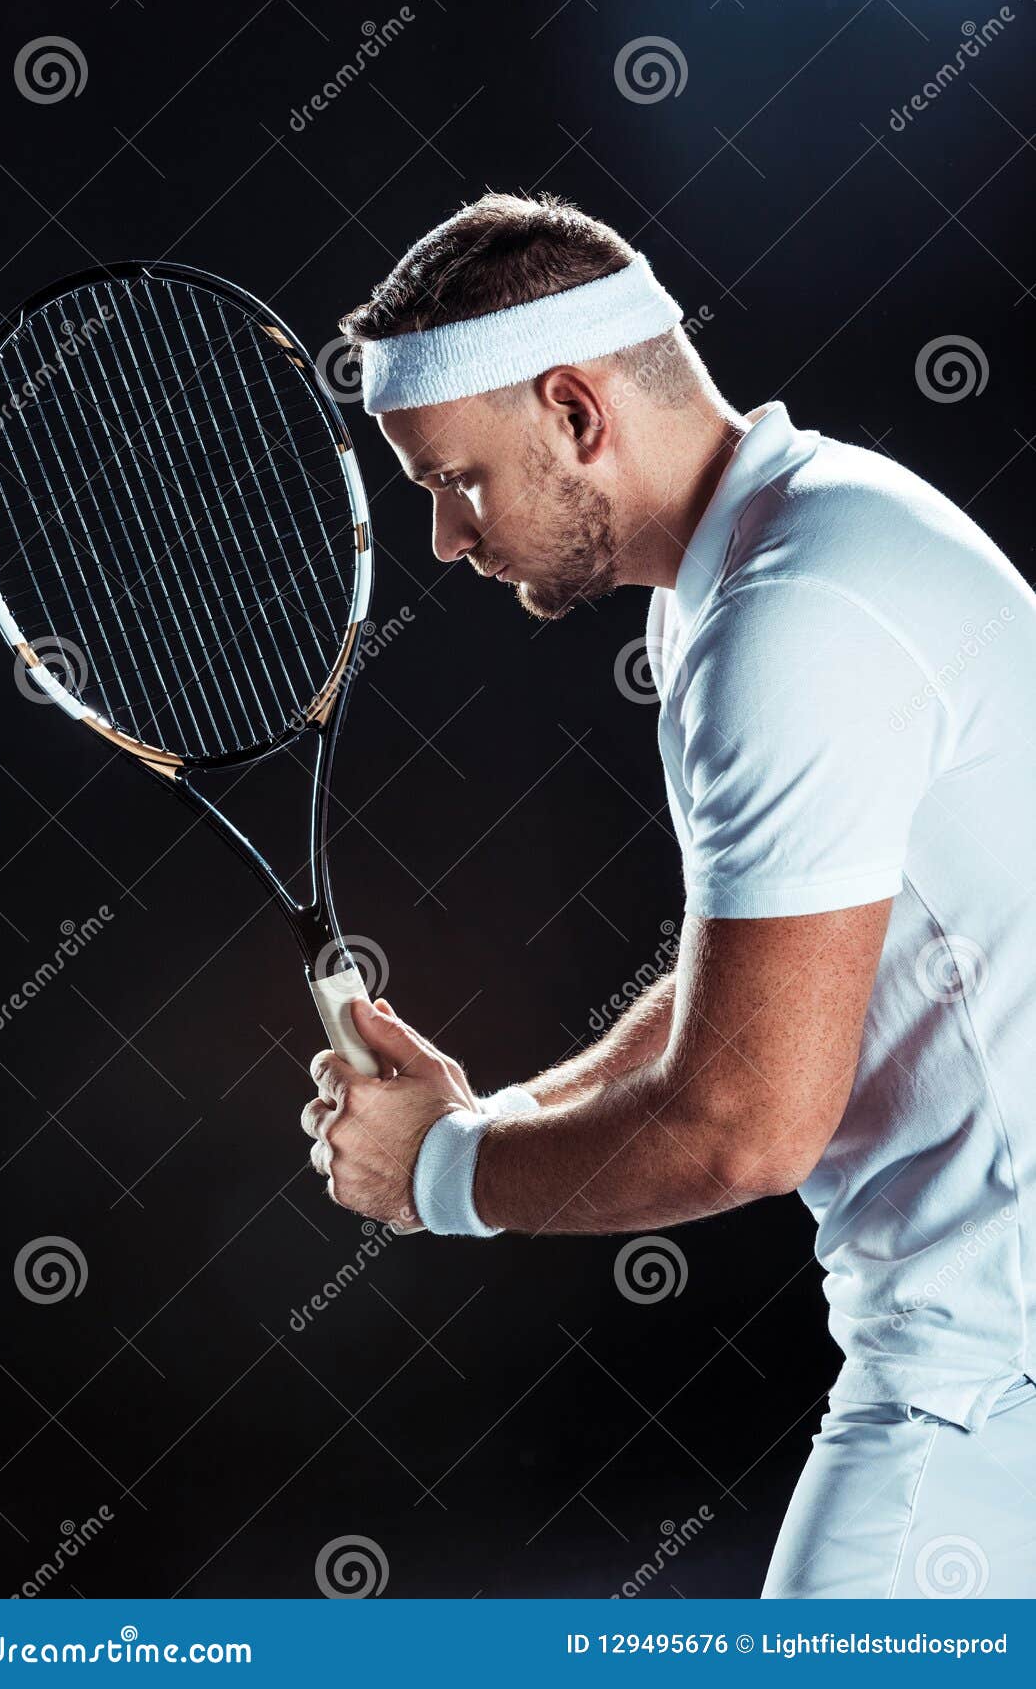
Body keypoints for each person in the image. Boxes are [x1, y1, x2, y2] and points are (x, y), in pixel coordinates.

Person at [300, 192, 1036, 1598]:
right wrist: (498, 1115)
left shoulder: (792, 613)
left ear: (576, 413)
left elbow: (743, 1121)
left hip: (990, 1382)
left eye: (457, 482)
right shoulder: (775, 558)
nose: (451, 543)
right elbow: (747, 984)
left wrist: (442, 1176)